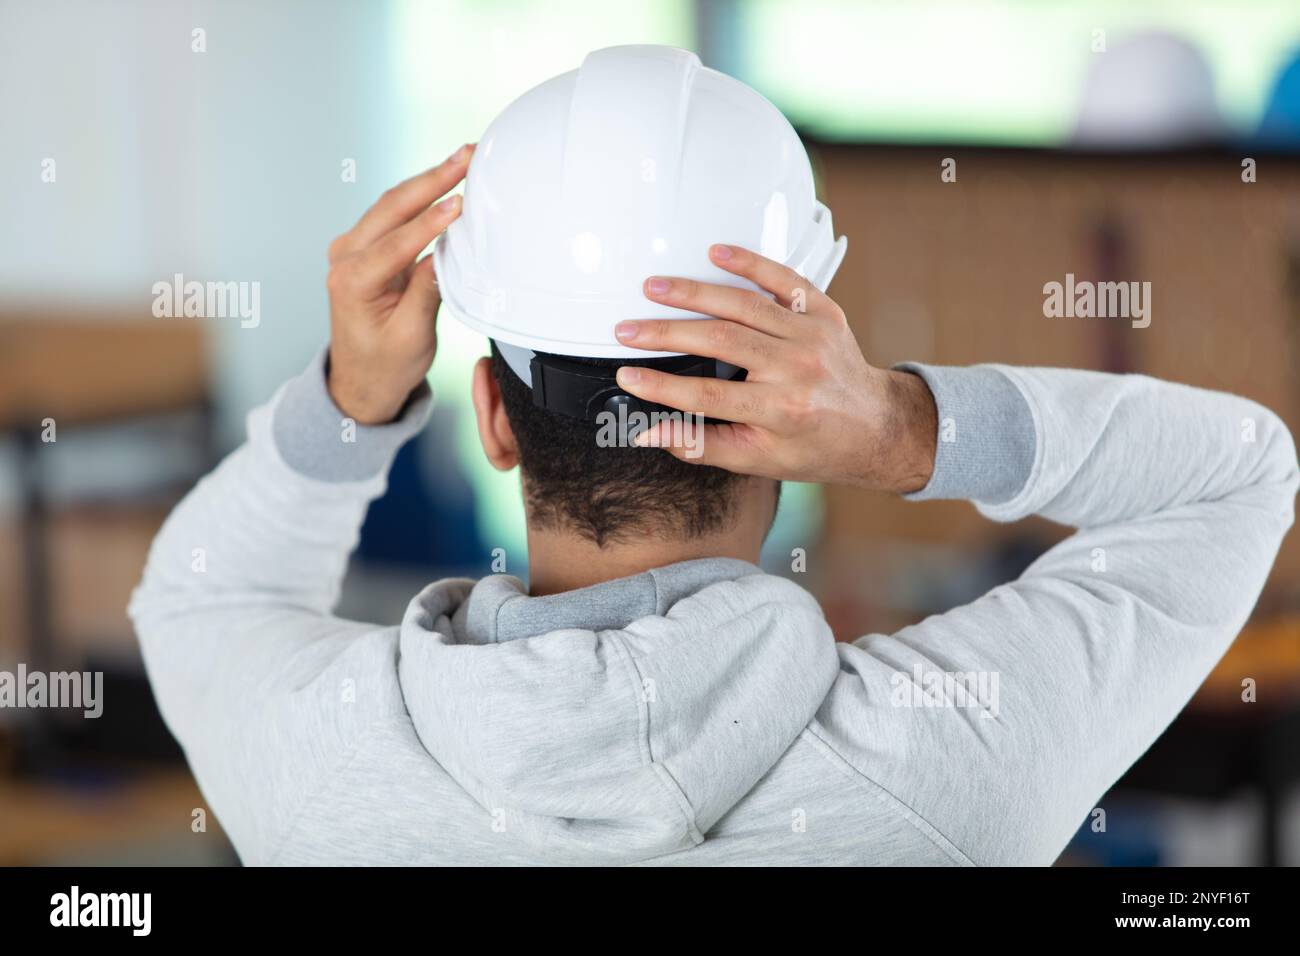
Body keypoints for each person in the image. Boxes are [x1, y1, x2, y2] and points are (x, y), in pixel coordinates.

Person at [130, 55, 1297, 867]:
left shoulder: (318, 765)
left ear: (490, 413)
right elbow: (1240, 470)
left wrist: (351, 400)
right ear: (788, 436)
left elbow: (200, 593)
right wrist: (898, 428)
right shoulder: (949, 764)